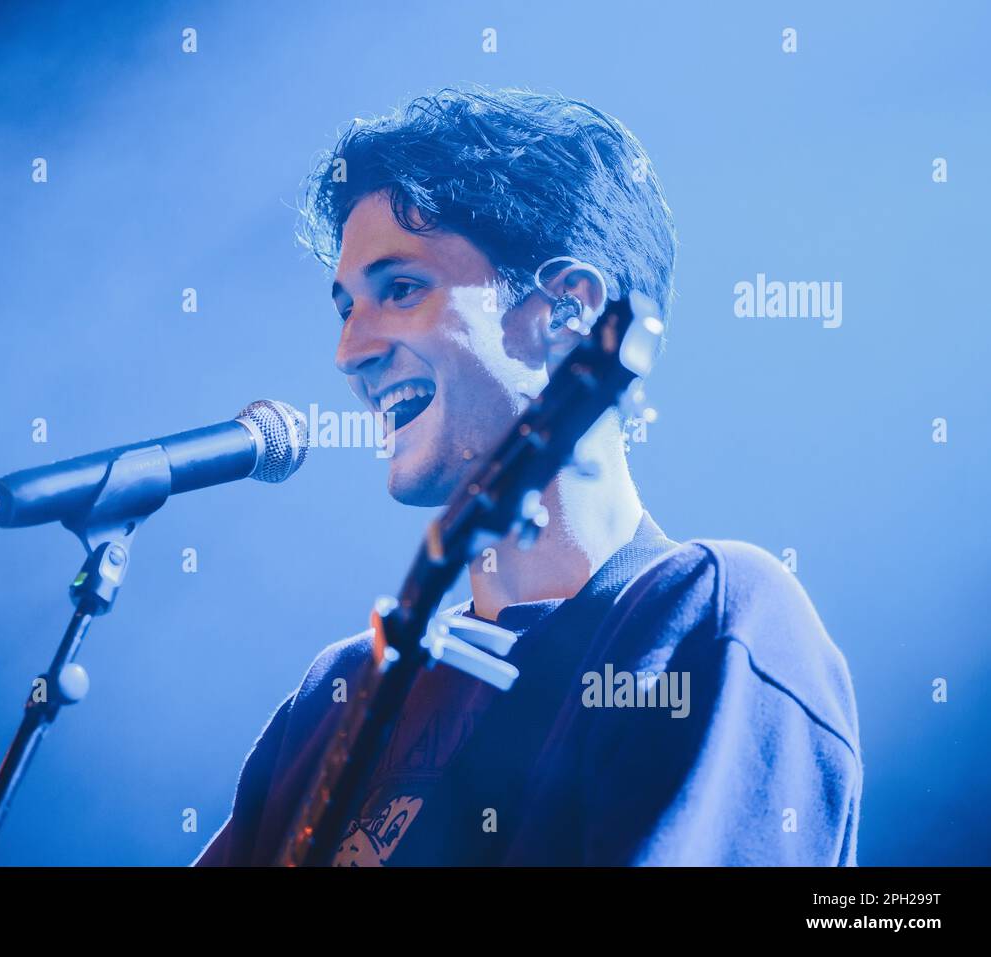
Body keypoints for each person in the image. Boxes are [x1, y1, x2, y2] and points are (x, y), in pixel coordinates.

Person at [195, 87, 862, 866]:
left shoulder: (707, 615)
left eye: (400, 289)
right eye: (344, 308)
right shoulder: (340, 693)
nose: (348, 352)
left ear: (566, 310)